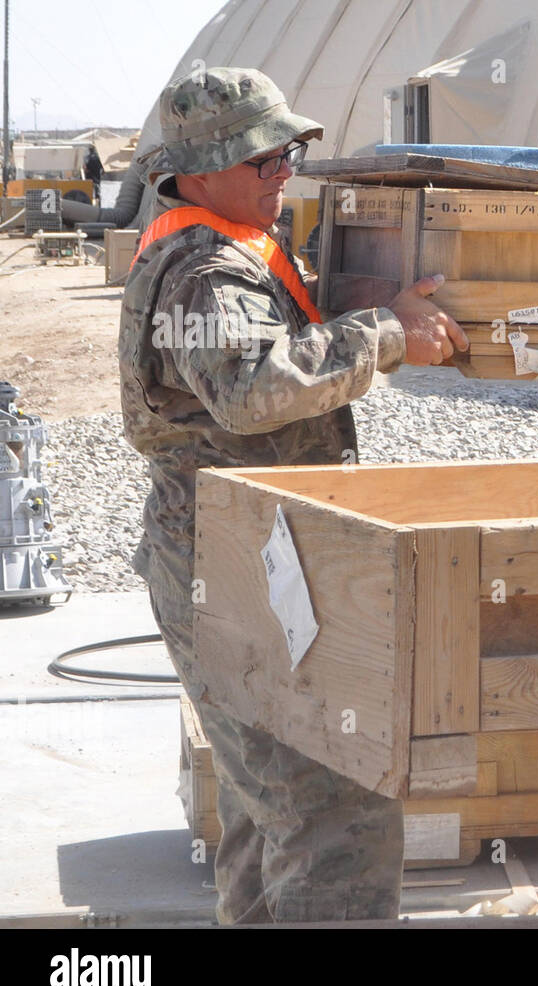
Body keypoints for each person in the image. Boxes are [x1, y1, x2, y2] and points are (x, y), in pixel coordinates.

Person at [118, 66, 468, 923]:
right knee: (332, 810)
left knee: (262, 808)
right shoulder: (204, 269)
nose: (284, 175)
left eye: (290, 156)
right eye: (264, 160)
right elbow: (251, 389)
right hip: (232, 570)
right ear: (198, 168)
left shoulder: (235, 247)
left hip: (248, 560)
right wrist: (386, 332)